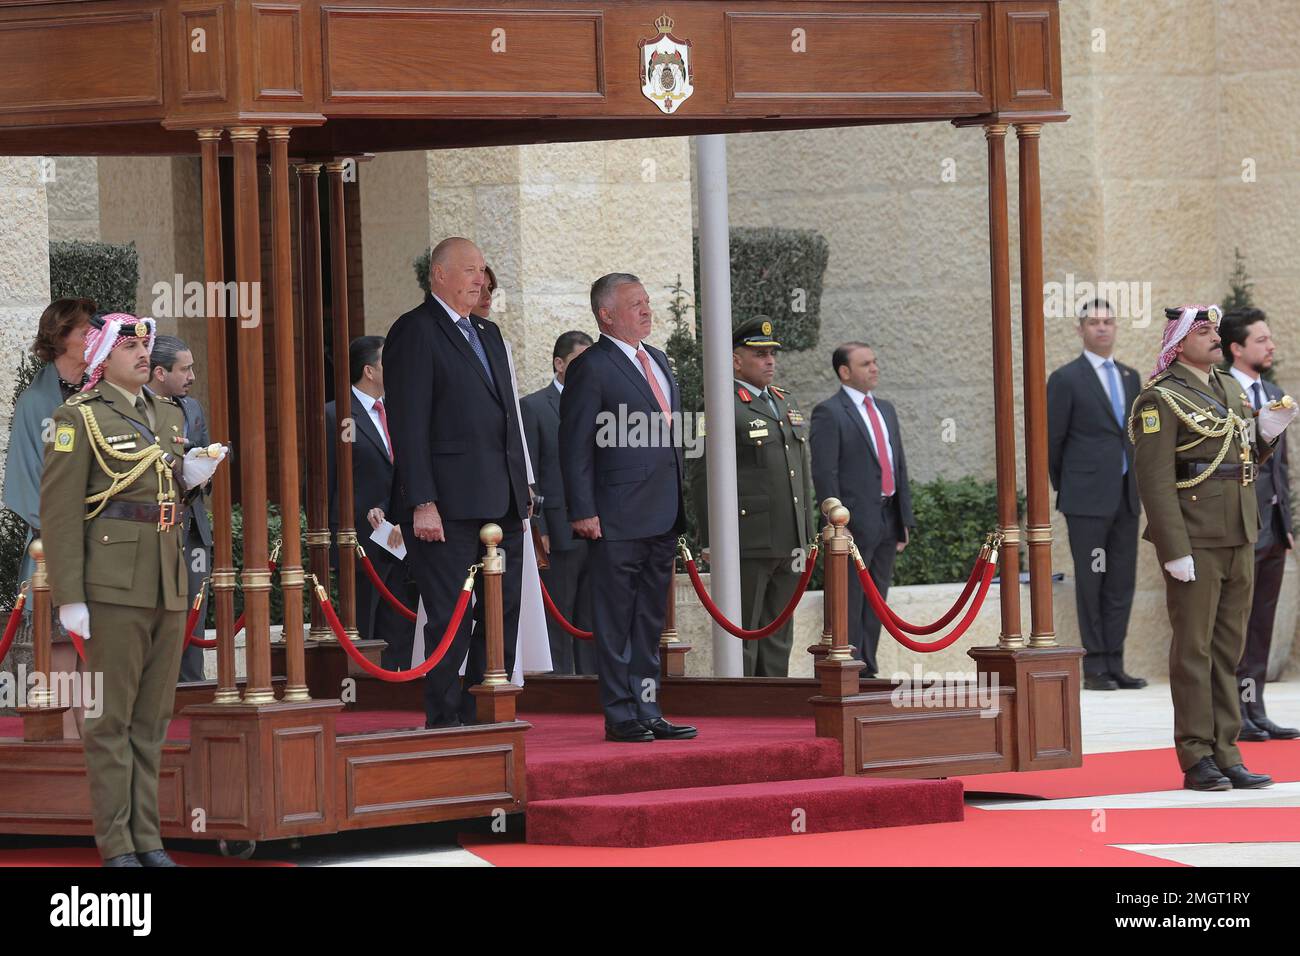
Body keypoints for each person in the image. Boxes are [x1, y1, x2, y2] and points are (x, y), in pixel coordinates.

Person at [40, 312, 227, 865]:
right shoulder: (78, 417)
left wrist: (191, 479)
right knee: (109, 720)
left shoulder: (168, 414)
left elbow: (164, 496)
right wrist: (70, 596)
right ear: (101, 358)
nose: (144, 354)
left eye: (146, 345)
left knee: (152, 720)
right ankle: (117, 844)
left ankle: (148, 839)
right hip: (112, 582)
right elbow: (59, 511)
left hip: (167, 576)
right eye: (130, 347)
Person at [1131, 304, 1294, 791]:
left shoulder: (1226, 387)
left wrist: (1264, 436)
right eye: (1203, 331)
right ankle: (1196, 755)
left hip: (1240, 533)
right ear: (1178, 343)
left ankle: (1228, 750)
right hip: (1195, 539)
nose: (1215, 337)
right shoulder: (1159, 399)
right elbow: (1155, 481)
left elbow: (1239, 455)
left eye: (1216, 330)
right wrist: (1172, 548)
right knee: (1194, 651)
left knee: (1228, 650)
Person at [384, 238, 532, 728]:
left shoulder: (487, 333)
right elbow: (408, 423)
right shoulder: (414, 331)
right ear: (439, 275)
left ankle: (486, 713)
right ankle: (446, 723)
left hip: (502, 503)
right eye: (469, 270)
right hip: (446, 508)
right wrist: (422, 501)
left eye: (483, 271)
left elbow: (506, 417)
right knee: (451, 618)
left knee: (502, 612)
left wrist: (521, 485)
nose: (479, 280)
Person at [559, 273, 696, 742]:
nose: (646, 309)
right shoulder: (591, 366)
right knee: (615, 620)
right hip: (614, 515)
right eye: (634, 303)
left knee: (648, 620)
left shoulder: (657, 359)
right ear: (606, 314)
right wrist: (582, 509)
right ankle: (620, 714)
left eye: (646, 301)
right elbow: (575, 444)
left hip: (662, 511)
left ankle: (649, 708)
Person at [690, 316, 815, 677]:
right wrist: (712, 538)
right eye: (759, 354)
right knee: (744, 632)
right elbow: (703, 476)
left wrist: (806, 536)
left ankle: (772, 703)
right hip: (747, 539)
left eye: (772, 354)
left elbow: (800, 474)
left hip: (789, 539)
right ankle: (742, 705)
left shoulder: (784, 402)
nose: (770, 361)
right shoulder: (720, 403)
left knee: (778, 632)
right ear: (735, 360)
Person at [4, 297, 94, 738]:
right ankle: (66, 756)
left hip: (104, 551)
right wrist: (65, 533)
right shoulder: (32, 404)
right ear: (60, 338)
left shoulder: (101, 396)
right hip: (55, 555)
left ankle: (93, 752)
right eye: (83, 332)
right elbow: (22, 487)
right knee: (59, 656)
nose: (91, 338)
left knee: (91, 666)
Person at [1046, 298, 1146, 691]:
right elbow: (1053, 442)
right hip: (1086, 499)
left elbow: (1135, 434)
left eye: (1108, 321)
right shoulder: (1066, 378)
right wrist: (1069, 484)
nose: (1102, 328)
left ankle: (1117, 662)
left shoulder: (1129, 376)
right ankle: (1096, 666)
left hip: (1126, 495)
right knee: (1093, 578)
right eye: (1093, 322)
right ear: (1080, 330)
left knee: (1122, 580)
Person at [809, 342, 914, 677]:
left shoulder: (886, 409)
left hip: (888, 517)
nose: (874, 368)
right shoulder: (830, 412)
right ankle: (849, 671)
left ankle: (869, 667)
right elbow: (825, 473)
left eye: (875, 362)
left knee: (877, 600)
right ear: (845, 371)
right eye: (866, 363)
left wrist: (905, 519)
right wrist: (836, 524)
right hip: (852, 524)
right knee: (852, 600)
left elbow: (899, 465)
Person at [1220, 307, 1299, 740]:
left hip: (1272, 526)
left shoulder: (1273, 391)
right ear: (1237, 348)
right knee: (1236, 622)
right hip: (1239, 526)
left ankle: (1256, 707)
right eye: (1261, 340)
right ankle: (1233, 712)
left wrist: (1287, 522)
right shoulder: (1224, 391)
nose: (1271, 346)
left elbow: (1281, 466)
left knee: (1261, 623)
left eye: (1269, 339)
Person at [326, 336, 418, 671]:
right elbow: (323, 482)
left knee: (401, 621)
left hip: (403, 535)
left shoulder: (401, 410)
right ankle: (361, 693)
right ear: (369, 370)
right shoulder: (336, 414)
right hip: (360, 541)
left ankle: (401, 688)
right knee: (363, 623)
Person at [522, 330, 596, 675]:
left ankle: (591, 684)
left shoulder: (600, 404)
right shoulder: (535, 406)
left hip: (597, 530)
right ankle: (562, 684)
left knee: (591, 618)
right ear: (559, 363)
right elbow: (530, 474)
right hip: (558, 531)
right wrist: (539, 528)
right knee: (560, 617)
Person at [148, 335, 212, 683]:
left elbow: (203, 457)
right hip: (154, 530)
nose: (192, 376)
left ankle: (194, 692)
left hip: (193, 530)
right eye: (184, 369)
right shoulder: (137, 411)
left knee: (194, 617)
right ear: (160, 372)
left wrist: (203, 473)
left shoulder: (194, 409)